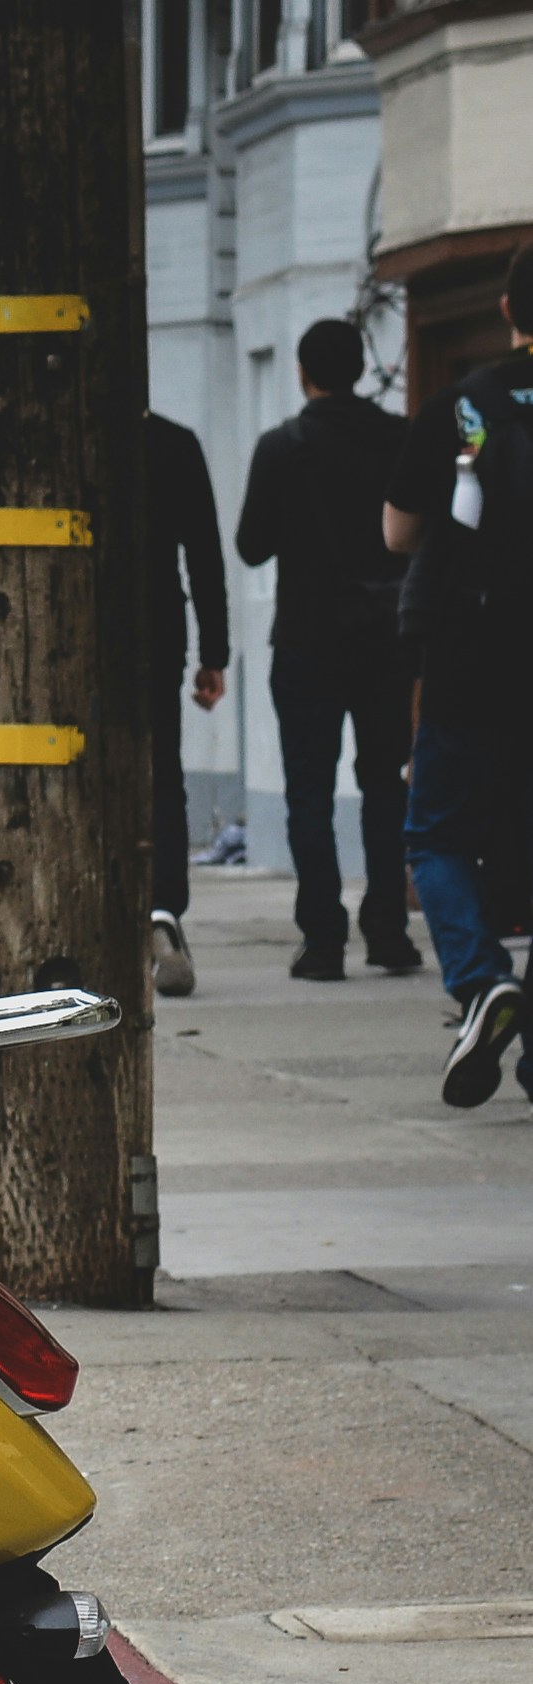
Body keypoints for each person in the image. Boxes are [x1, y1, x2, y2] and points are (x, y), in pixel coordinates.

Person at [389, 242, 533, 1107]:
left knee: (436, 835)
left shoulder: (460, 406)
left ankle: (482, 980)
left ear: (508, 309)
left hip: (472, 656)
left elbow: (396, 533)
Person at [235, 318, 419, 984]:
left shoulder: (282, 447)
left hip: (307, 640)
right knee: (384, 782)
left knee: (308, 791)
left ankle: (322, 939)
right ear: (361, 369)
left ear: (302, 372)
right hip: (384, 637)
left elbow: (251, 545)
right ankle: (388, 928)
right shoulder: (398, 438)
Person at [143, 411, 233, 995]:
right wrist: (213, 653)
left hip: (69, 625)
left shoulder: (65, 433)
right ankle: (163, 909)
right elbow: (204, 551)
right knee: (161, 772)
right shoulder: (172, 443)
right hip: (156, 624)